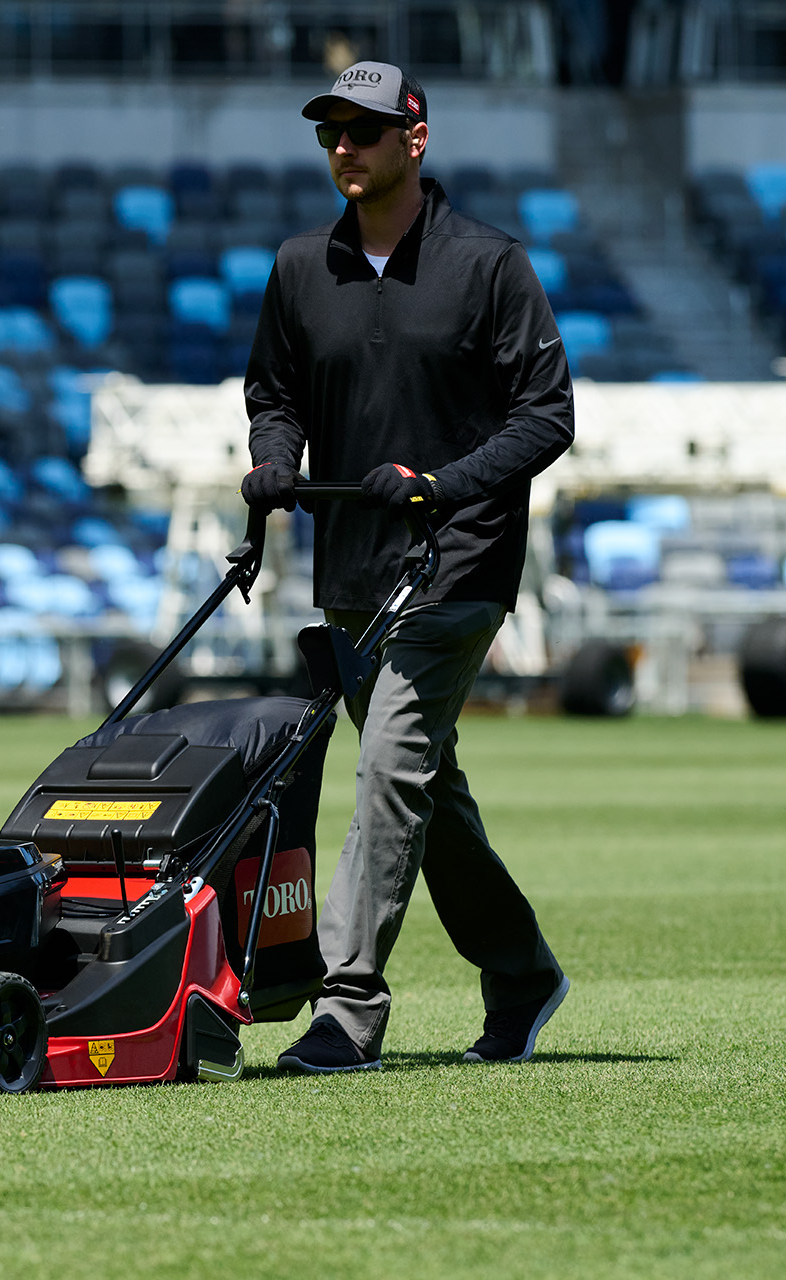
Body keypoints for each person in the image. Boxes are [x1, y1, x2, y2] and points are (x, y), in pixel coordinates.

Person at [238, 62, 574, 1072]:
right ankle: (521, 971)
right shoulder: (300, 267)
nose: (344, 146)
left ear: (414, 142)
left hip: (458, 565)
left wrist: (442, 482)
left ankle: (347, 1006)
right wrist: (273, 464)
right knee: (428, 787)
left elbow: (547, 416)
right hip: (348, 572)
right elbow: (275, 393)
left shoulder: (490, 265)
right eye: (330, 131)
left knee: (388, 766)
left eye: (365, 131)